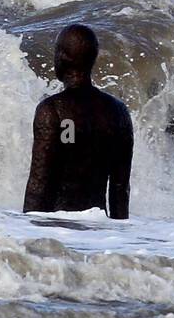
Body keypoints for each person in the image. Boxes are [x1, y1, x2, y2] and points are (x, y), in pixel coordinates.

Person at [23, 23, 134, 218]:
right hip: (99, 231)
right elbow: (120, 190)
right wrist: (120, 241)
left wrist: (29, 238)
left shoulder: (52, 110)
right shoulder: (118, 112)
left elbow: (39, 184)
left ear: (61, 57)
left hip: (59, 228)